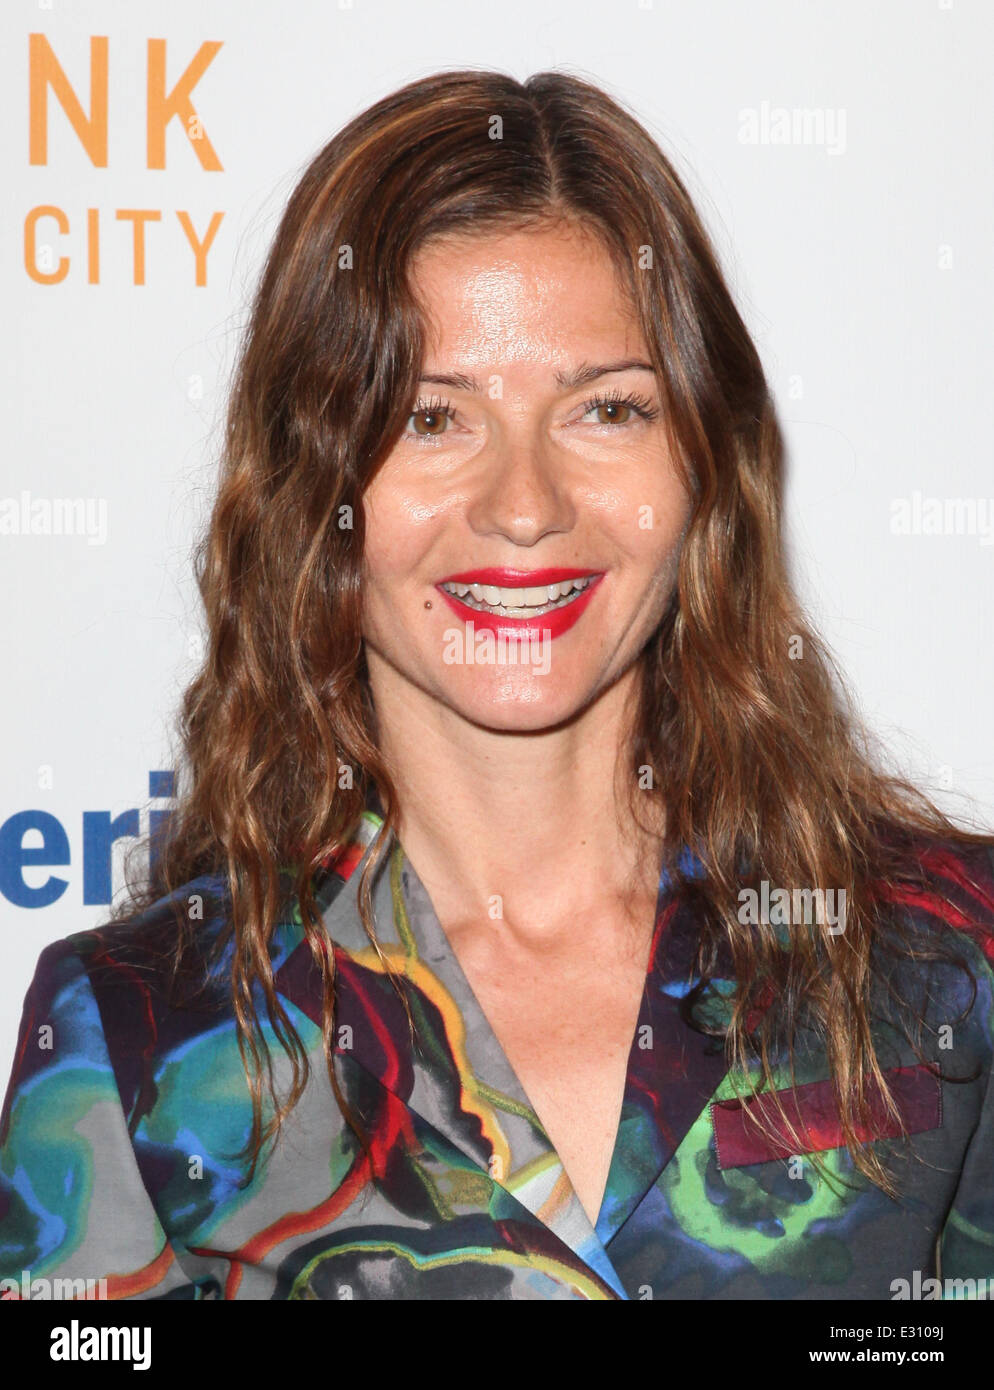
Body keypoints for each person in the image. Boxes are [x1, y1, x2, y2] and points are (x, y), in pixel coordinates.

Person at [2, 69, 993, 1303]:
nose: (524, 505)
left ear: (703, 465)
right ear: (317, 488)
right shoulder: (140, 1034)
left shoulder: (948, 957)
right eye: (431, 418)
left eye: (606, 409)